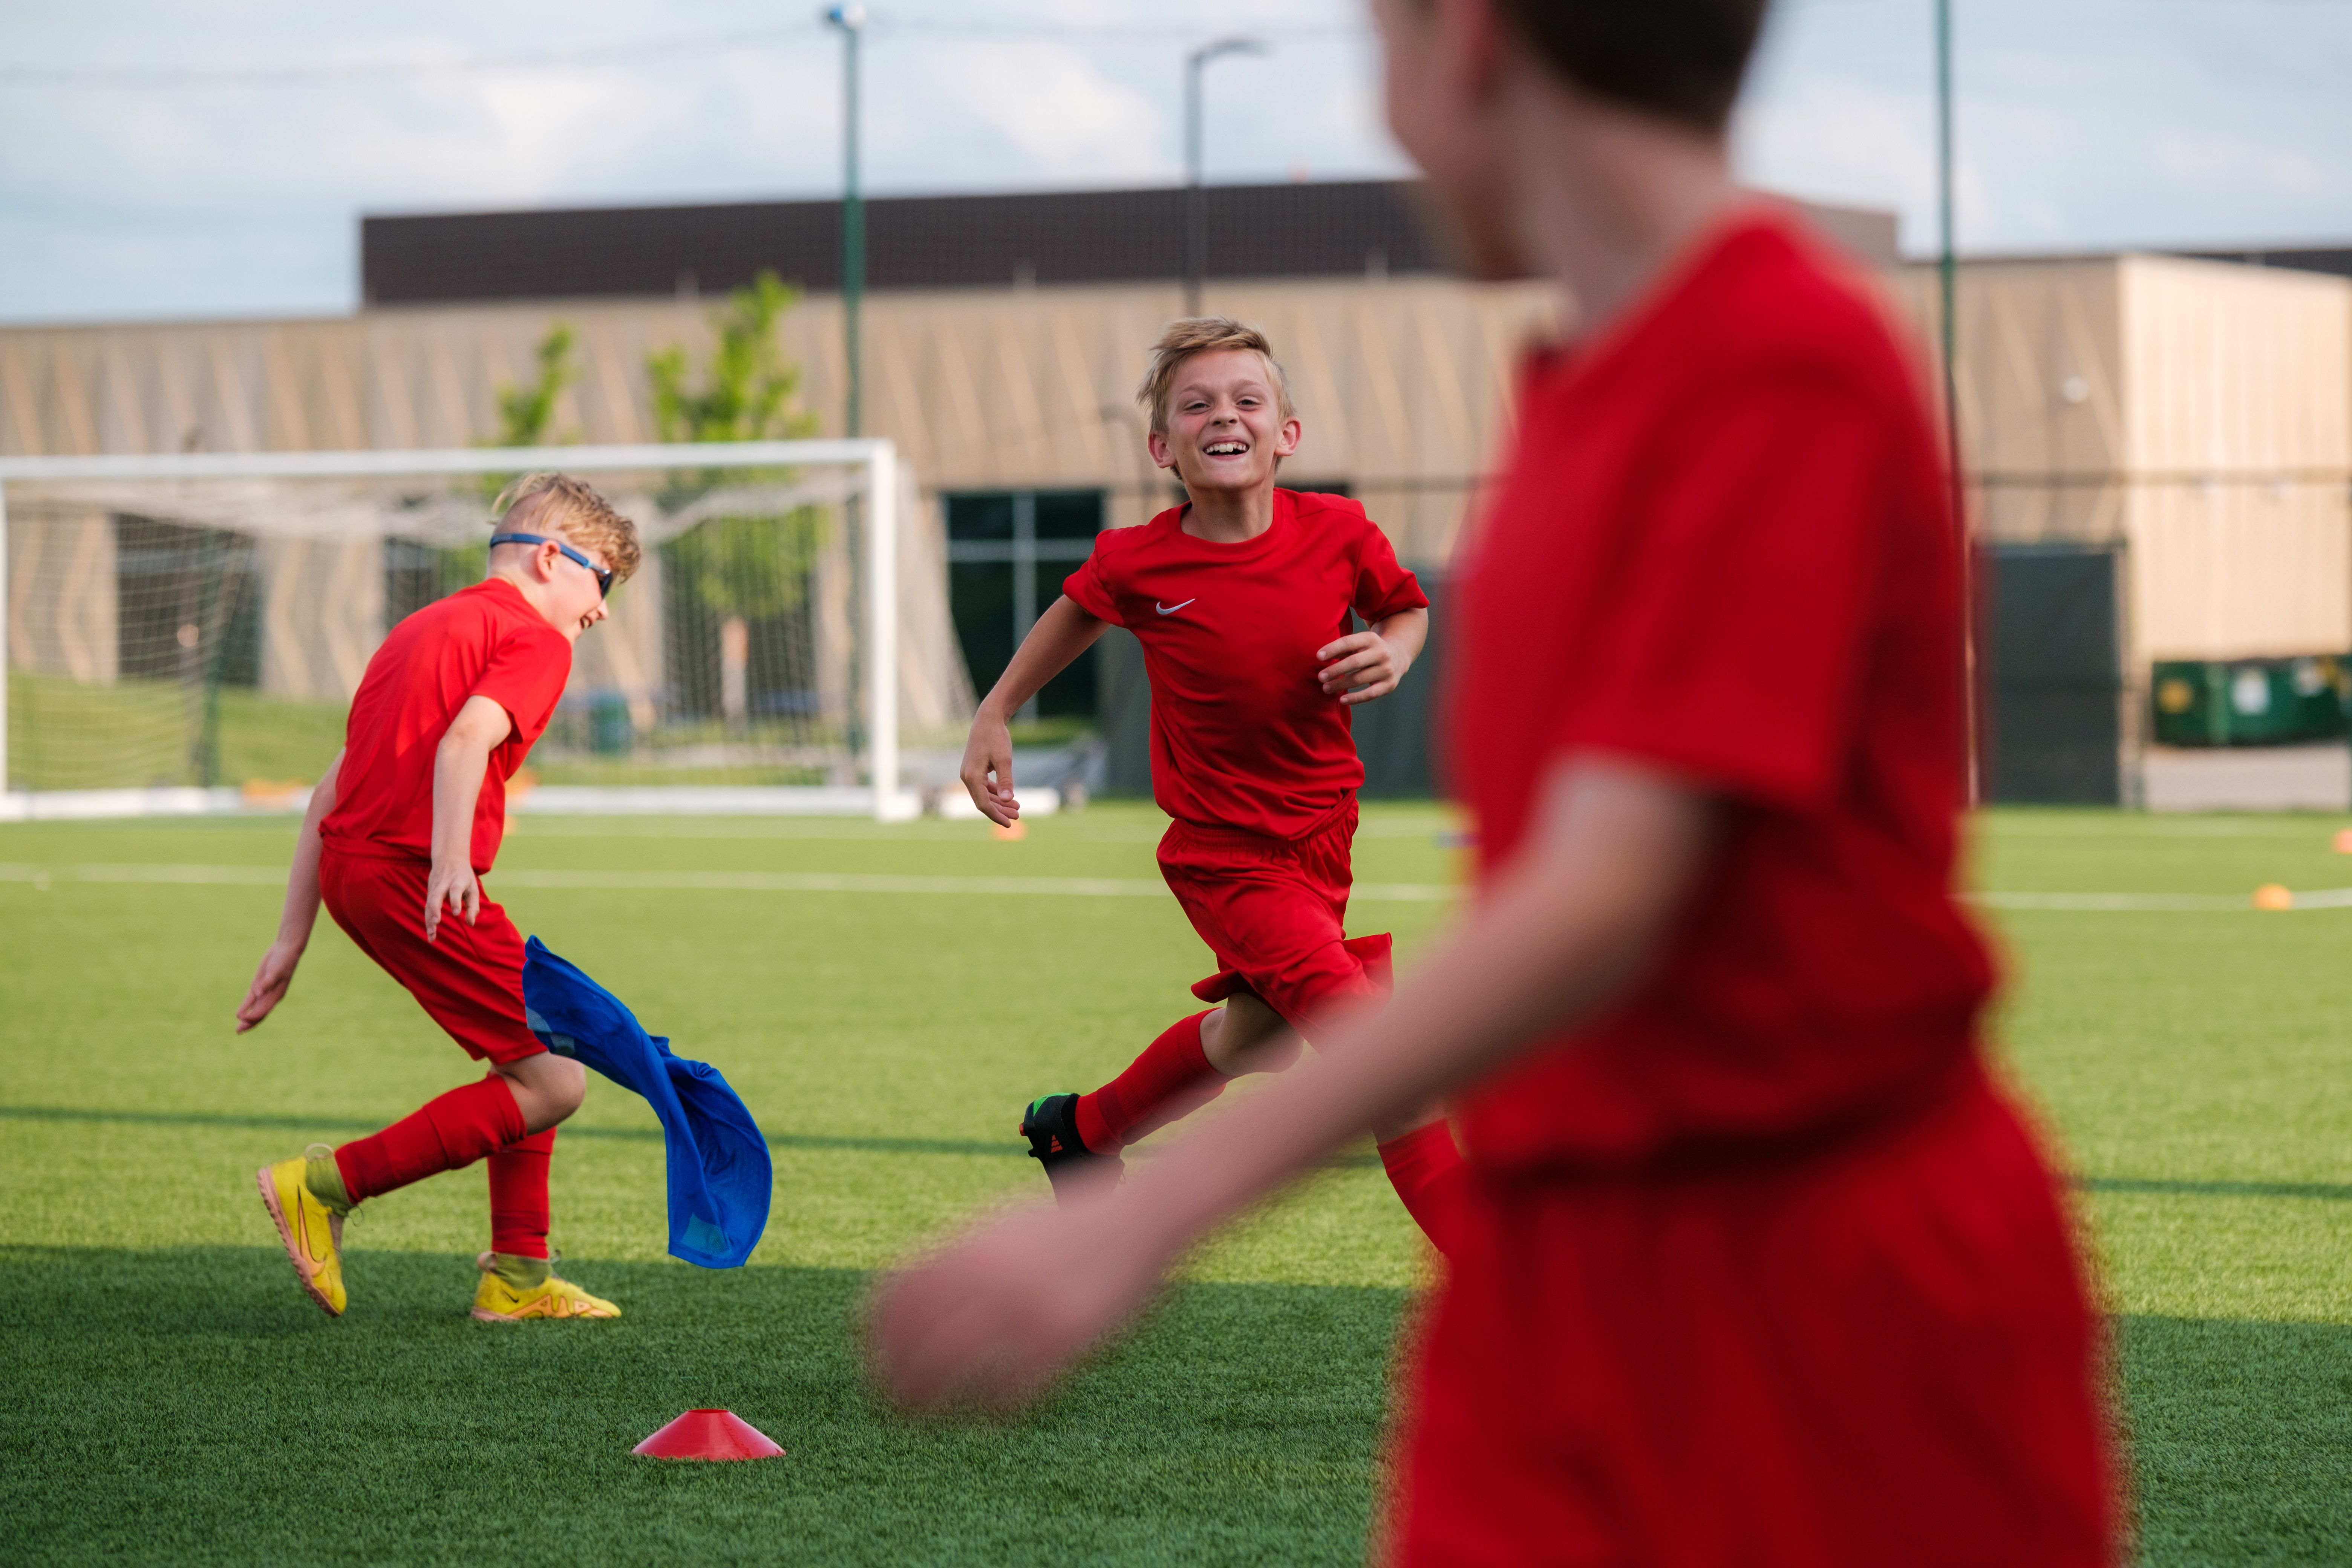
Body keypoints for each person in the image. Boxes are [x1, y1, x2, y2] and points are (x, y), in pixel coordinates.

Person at [871, 2, 2116, 1562]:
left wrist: (1151, 1218)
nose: (1378, 121)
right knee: (1319, 1009)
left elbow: (1620, 884)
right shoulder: (1597, 377)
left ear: (1465, 46)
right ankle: (1113, 1127)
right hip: (1587, 1248)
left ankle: (1101, 1135)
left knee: (1327, 1016)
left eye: (1371, 50)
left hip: (1813, 1273)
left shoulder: (1772, 367)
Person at [961, 315, 1469, 1252]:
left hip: (1325, 839)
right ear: (1163, 446)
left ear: (1288, 432)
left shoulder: (1341, 531)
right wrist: (995, 712)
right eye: (1195, 405)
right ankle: (1508, 1283)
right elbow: (1076, 612)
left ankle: (1081, 1130)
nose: (1221, 416)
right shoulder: (1139, 559)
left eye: (1246, 400)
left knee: (1260, 1038)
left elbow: (1406, 606)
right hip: (1228, 857)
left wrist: (1394, 652)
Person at [239, 473, 642, 1325]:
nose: (602, 609)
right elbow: (467, 740)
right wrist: (452, 858)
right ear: (548, 558)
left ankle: (519, 1277)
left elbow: (328, 789)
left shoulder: (420, 627)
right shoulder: (539, 641)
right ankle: (324, 1185)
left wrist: (292, 936)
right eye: (601, 581)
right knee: (557, 1082)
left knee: (538, 1039)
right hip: (410, 874)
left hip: (355, 872)